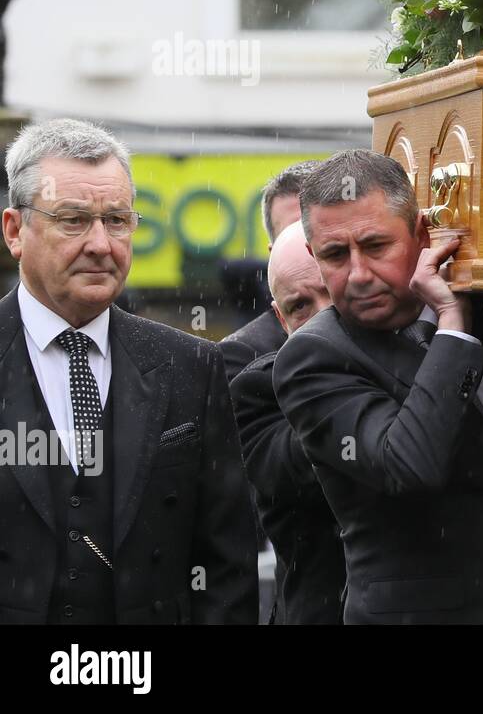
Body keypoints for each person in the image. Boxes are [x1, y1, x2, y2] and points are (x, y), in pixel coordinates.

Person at [274, 150, 483, 623]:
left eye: (376, 246)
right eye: (335, 255)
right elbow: (410, 464)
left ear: (422, 234)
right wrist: (451, 326)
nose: (358, 275)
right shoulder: (312, 357)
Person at [0, 118, 257, 623]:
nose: (101, 243)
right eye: (73, 220)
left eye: (117, 220)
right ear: (15, 231)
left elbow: (228, 566)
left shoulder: (193, 366)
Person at [230, 220, 343, 623]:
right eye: (300, 306)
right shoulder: (258, 392)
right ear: (281, 319)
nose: (321, 318)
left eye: (330, 293)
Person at [219, 160, 321, 384]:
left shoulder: (378, 317)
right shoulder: (242, 355)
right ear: (273, 253)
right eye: (296, 232)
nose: (308, 246)